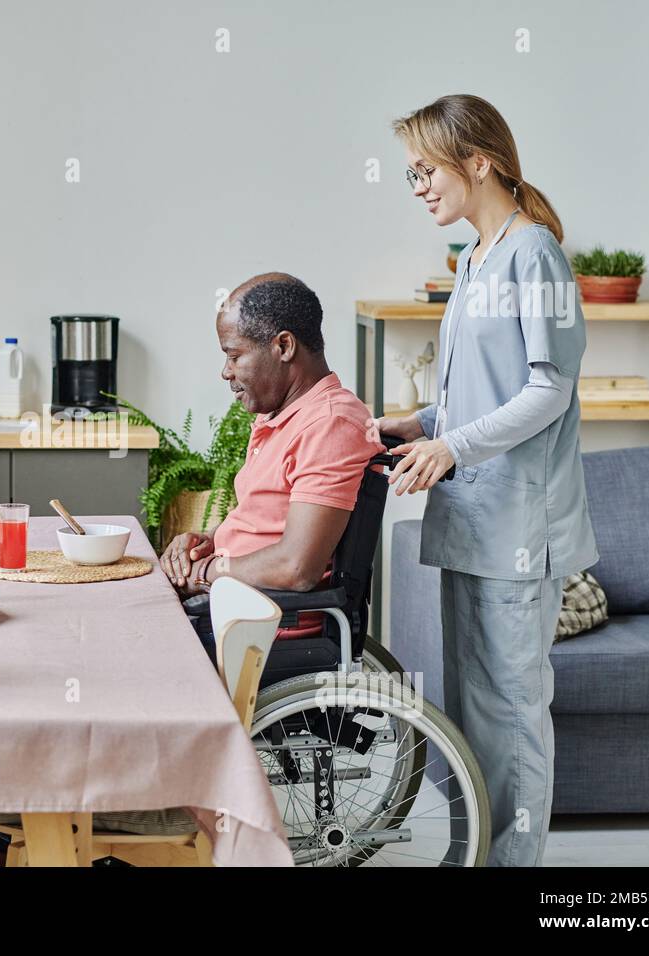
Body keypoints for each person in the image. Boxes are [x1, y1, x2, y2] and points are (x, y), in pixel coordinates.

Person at [376, 94, 598, 867]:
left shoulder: (534, 253)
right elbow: (479, 389)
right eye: (409, 176)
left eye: (426, 170)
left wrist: (454, 446)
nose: (419, 188)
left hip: (516, 525)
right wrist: (423, 423)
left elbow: (548, 389)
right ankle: (480, 854)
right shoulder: (472, 260)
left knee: (512, 715)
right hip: (471, 519)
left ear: (479, 160)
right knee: (472, 710)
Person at [160, 274, 383, 673]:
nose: (226, 372)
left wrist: (208, 573)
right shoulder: (281, 417)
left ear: (283, 346)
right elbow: (266, 524)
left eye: (234, 355)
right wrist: (205, 544)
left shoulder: (329, 425)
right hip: (235, 610)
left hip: (264, 630)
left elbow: (296, 567)